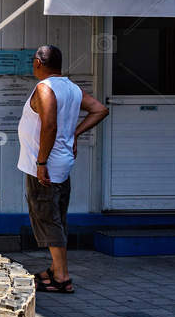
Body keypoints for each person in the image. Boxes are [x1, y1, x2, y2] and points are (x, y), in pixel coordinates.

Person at [16, 44, 108, 294]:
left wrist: (41, 162)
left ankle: (61, 276)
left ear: (38, 62)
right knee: (55, 215)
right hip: (61, 162)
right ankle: (56, 269)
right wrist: (75, 134)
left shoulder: (45, 88)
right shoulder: (71, 87)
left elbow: (49, 126)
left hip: (47, 166)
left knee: (48, 217)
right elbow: (100, 109)